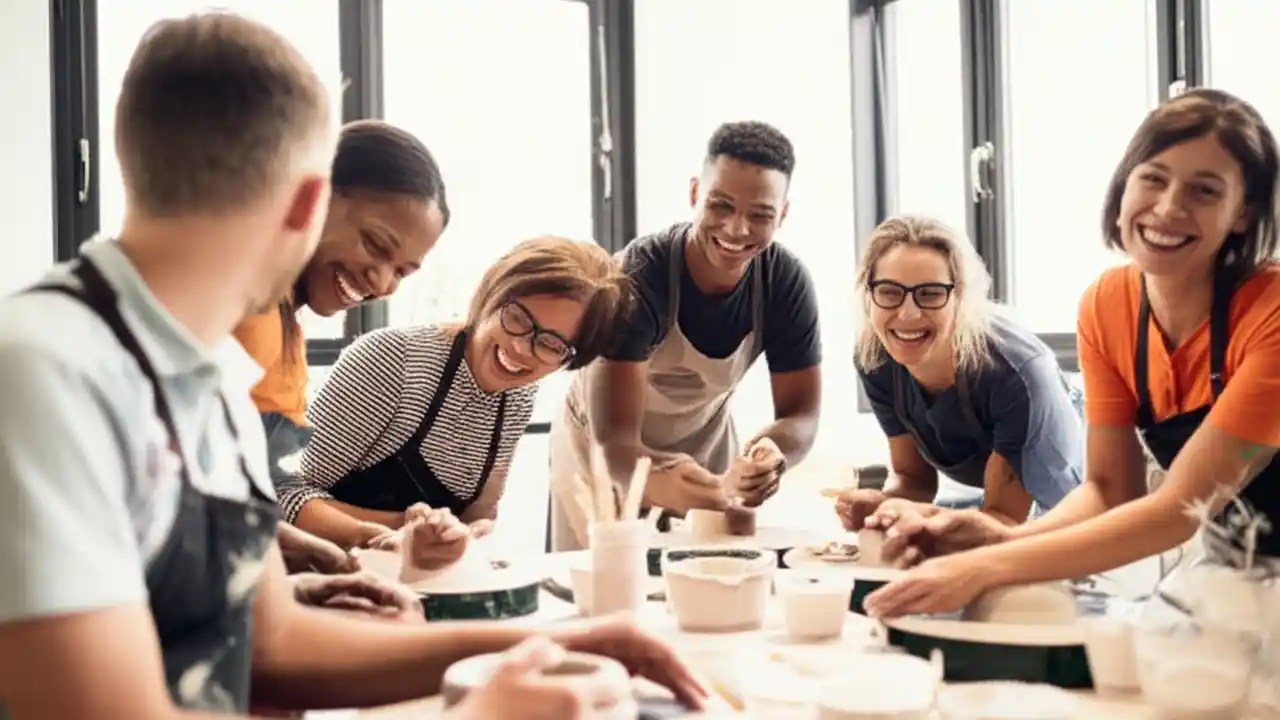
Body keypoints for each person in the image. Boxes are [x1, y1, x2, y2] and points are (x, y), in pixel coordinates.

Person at [0, 13, 704, 718]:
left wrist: (563, 640)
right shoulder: (44, 373)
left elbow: (274, 645)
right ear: (310, 198)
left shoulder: (213, 382)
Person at [863, 88, 1280, 619]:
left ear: (1242, 214)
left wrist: (984, 566)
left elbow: (1179, 510)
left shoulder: (1270, 313)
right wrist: (995, 539)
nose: (1170, 207)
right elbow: (1109, 489)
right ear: (1125, 184)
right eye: (1153, 177)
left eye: (1204, 190)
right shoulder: (1109, 304)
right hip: (1239, 570)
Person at [549, 120, 823, 550]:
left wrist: (773, 453)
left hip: (704, 440)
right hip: (602, 450)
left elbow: (801, 416)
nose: (736, 229)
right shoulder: (640, 275)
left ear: (783, 214)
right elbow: (617, 446)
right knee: (605, 587)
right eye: (721, 206)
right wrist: (667, 480)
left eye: (760, 215)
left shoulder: (784, 282)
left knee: (710, 579)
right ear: (695, 193)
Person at [280, 236, 634, 559]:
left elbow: (477, 516)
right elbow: (283, 495)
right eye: (517, 317)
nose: (521, 348)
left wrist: (469, 533)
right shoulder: (393, 360)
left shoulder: (518, 396)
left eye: (551, 344)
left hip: (417, 583)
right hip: (317, 573)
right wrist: (398, 527)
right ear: (492, 293)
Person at [833, 215, 1084, 544]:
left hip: (1068, 502)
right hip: (998, 509)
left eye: (931, 293)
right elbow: (914, 480)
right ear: (868, 294)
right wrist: (884, 505)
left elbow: (1003, 523)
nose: (907, 314)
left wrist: (921, 522)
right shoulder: (876, 360)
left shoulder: (1014, 375)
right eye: (890, 291)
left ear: (960, 297)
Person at [233, 118, 448, 489]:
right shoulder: (249, 312)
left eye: (402, 272)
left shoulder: (285, 329)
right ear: (314, 195)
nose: (381, 283)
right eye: (376, 245)